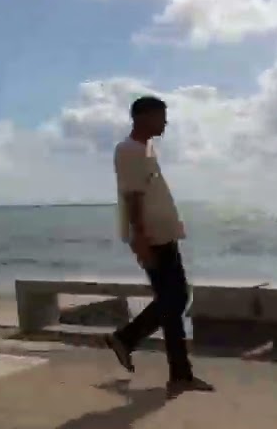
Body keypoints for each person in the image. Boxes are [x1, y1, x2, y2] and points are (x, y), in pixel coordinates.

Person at [103, 96, 214, 396]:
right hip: (153, 237)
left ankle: (146, 352)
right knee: (174, 299)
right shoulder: (129, 150)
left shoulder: (145, 149)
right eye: (161, 116)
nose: (165, 122)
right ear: (144, 117)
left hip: (163, 233)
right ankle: (136, 345)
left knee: (173, 300)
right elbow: (132, 198)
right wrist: (141, 240)